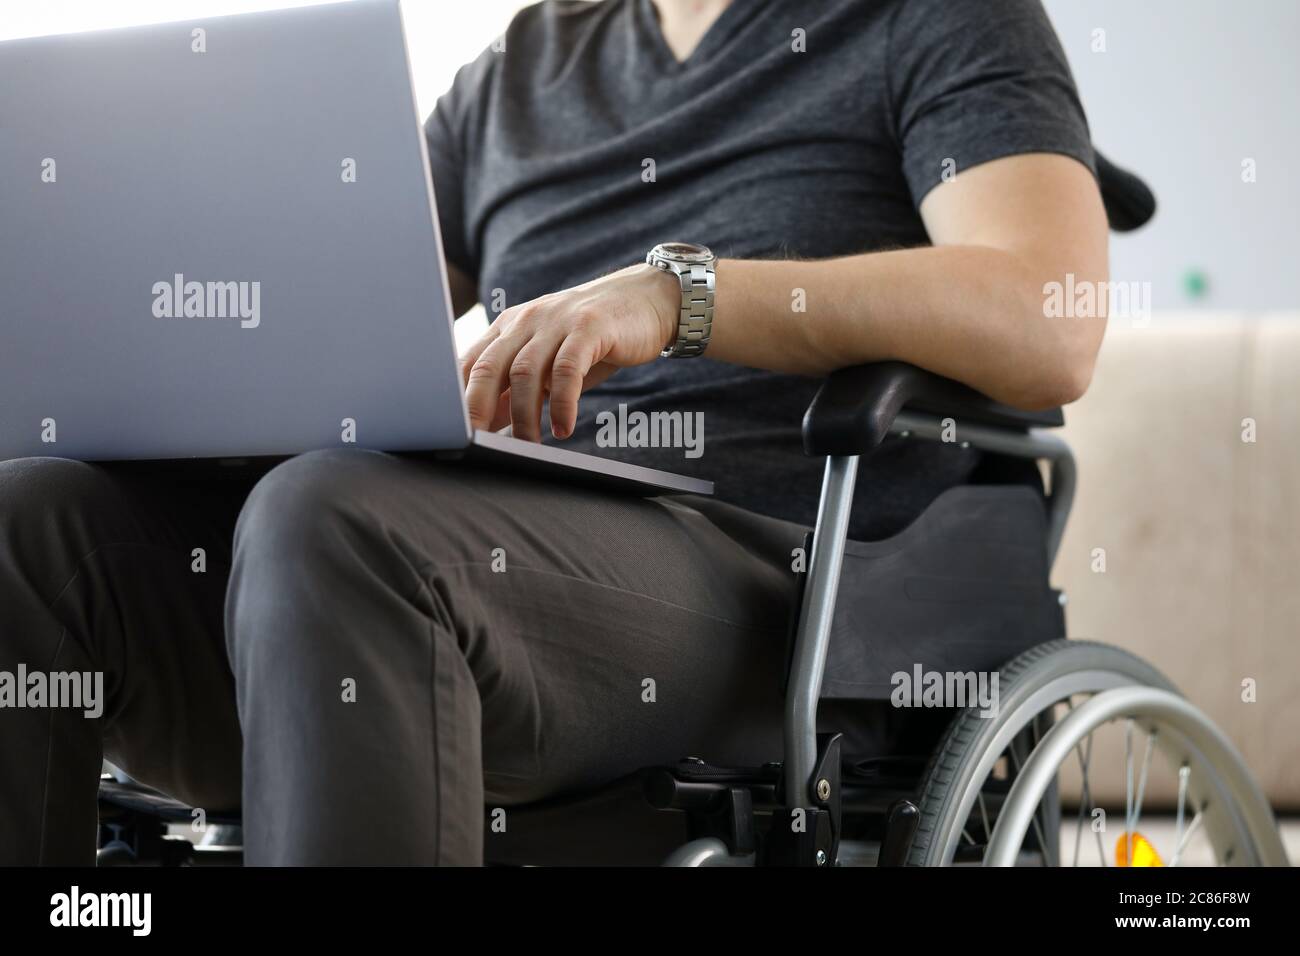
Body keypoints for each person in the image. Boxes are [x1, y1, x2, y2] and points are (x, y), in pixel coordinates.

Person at [0, 0, 1108, 865]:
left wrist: (678, 297)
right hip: (500, 552)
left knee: (336, 519)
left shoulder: (933, 21)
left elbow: (1045, 310)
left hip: (791, 570)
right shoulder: (516, 74)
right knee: (30, 522)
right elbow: (317, 322)